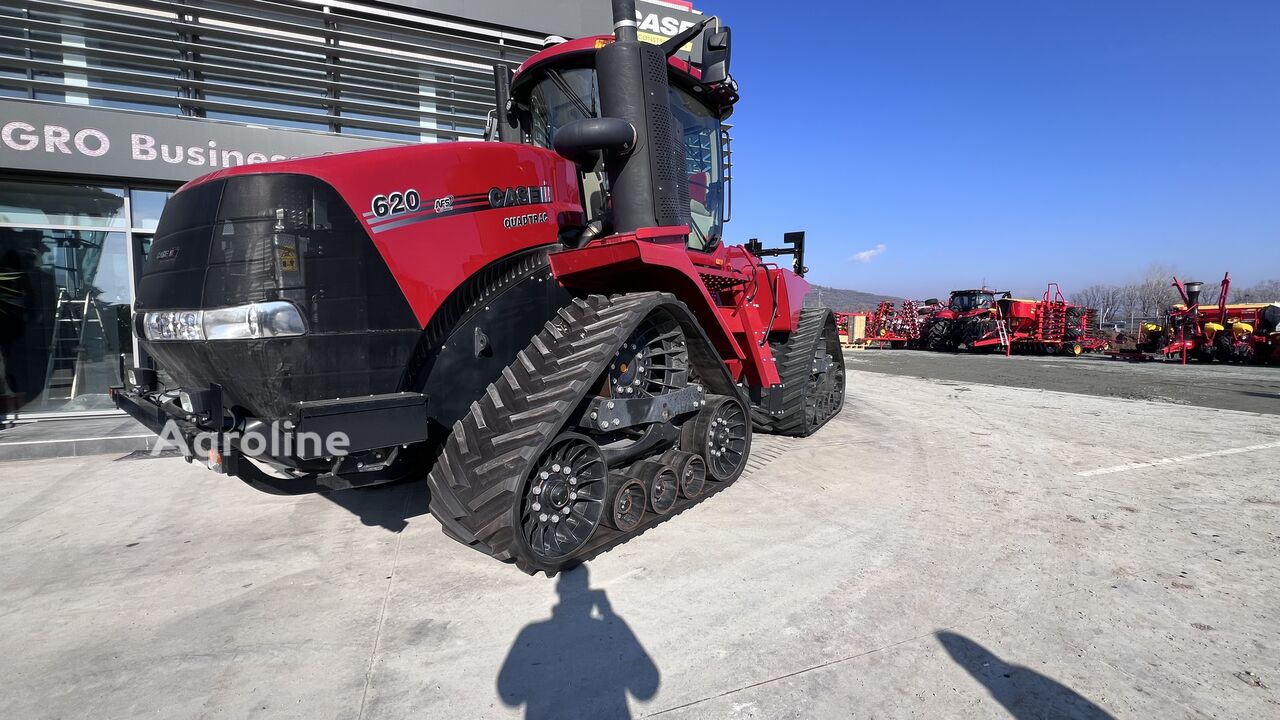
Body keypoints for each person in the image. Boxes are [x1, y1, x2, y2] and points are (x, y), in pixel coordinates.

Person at [498, 566, 659, 720]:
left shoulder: (531, 632)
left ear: (558, 590)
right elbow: (645, 691)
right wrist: (608, 613)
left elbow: (510, 697)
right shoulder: (611, 626)